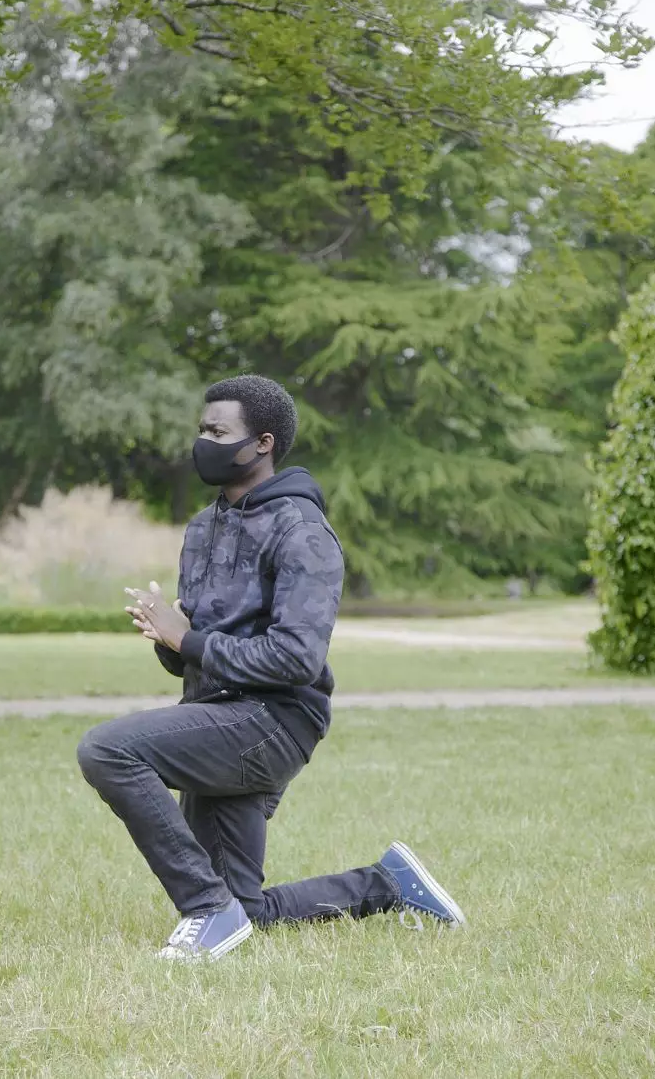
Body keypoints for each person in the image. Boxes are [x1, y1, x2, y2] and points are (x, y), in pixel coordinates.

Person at [77, 374, 465, 961]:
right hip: (213, 715)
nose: (202, 440)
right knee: (246, 908)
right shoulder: (203, 528)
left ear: (262, 443)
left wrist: (191, 641)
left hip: (273, 721)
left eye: (217, 430)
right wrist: (169, 636)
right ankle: (386, 886)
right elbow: (200, 644)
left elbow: (296, 657)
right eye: (201, 428)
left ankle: (205, 910)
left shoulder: (303, 532)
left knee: (107, 750)